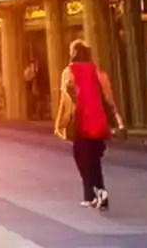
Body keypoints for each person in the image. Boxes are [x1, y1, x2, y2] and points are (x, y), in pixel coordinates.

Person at [56, 40, 123, 211]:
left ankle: (96, 192)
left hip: (81, 120)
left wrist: (61, 121)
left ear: (74, 52)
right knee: (93, 158)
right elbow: (108, 97)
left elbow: (66, 99)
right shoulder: (98, 72)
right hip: (98, 120)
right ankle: (93, 195)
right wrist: (116, 118)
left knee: (81, 157)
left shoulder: (68, 71)